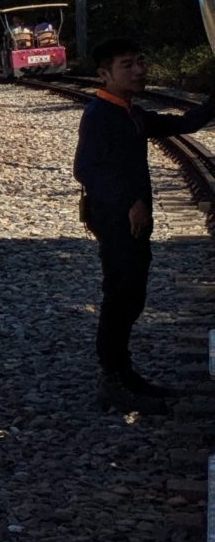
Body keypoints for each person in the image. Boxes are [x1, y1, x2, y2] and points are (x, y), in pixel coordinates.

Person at [72, 37, 215, 412]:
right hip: (117, 221)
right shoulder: (101, 115)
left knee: (132, 295)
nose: (139, 70)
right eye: (127, 65)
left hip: (132, 222)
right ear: (104, 75)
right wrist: (129, 203)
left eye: (140, 61)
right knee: (120, 296)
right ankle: (112, 381)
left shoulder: (128, 112)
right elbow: (85, 168)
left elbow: (182, 123)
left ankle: (125, 374)